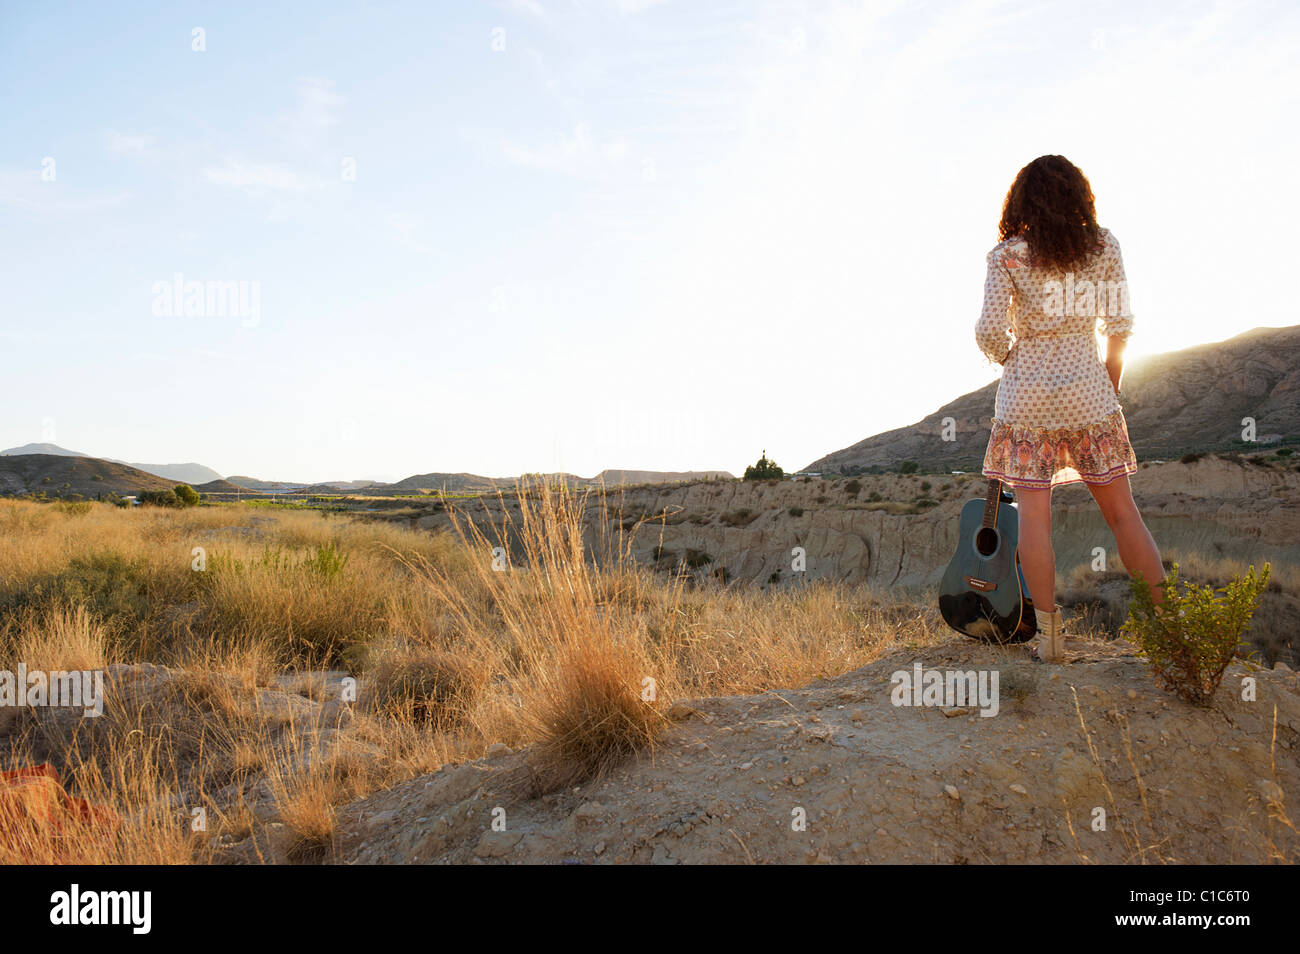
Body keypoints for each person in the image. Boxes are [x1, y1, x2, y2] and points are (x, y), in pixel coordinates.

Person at [975, 155, 1164, 663]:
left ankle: (1051, 639)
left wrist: (1013, 357)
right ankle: (1169, 628)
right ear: (1079, 195)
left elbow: (990, 331)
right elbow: (1120, 322)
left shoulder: (1006, 256)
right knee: (1124, 514)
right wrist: (1111, 383)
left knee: (1034, 520)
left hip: (1026, 402)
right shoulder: (1104, 246)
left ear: (1023, 199)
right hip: (1090, 391)